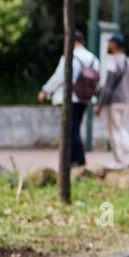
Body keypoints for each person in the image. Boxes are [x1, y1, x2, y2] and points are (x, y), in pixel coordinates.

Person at [38, 29, 99, 168]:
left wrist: (45, 90)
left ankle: (77, 160)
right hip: (84, 98)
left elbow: (60, 76)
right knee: (75, 128)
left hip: (70, 97)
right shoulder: (93, 58)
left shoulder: (69, 56)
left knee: (70, 129)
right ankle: (75, 160)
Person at [95, 34, 129, 170]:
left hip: (114, 101)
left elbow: (108, 86)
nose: (108, 45)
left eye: (110, 43)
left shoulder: (112, 61)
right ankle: (124, 158)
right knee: (120, 128)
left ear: (115, 45)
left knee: (115, 130)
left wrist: (100, 105)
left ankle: (126, 155)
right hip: (126, 100)